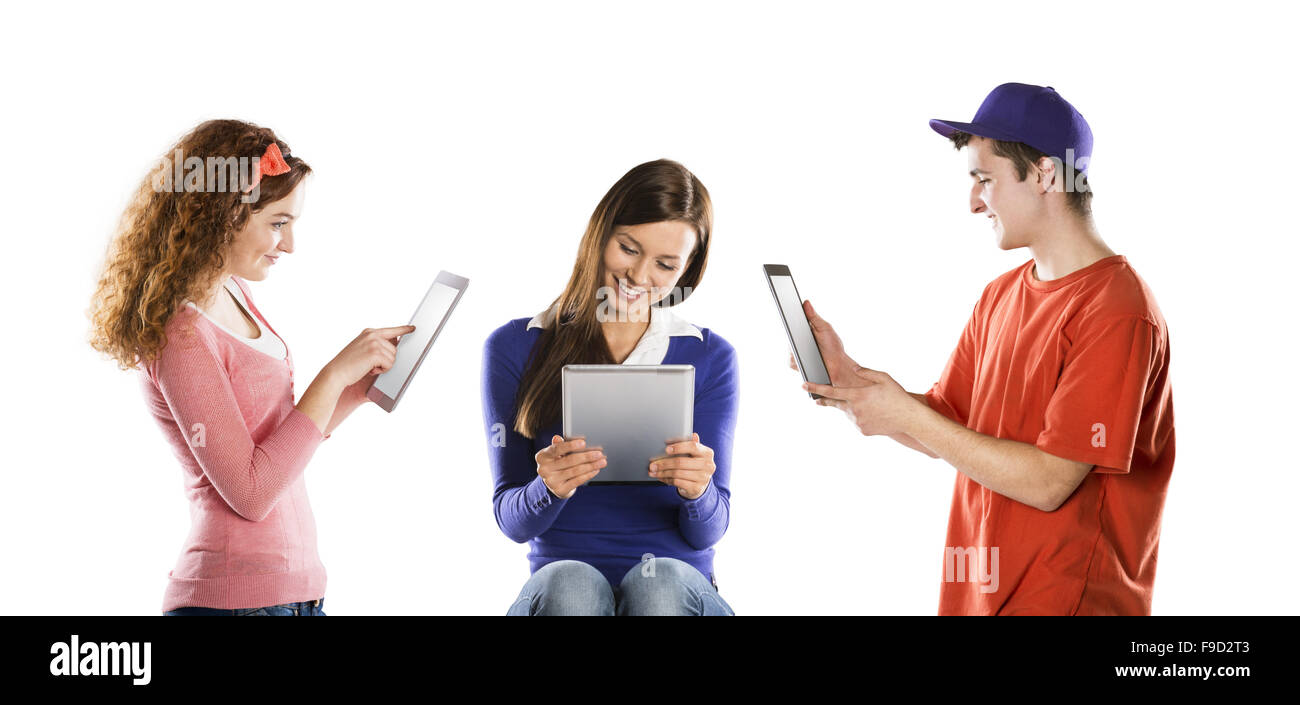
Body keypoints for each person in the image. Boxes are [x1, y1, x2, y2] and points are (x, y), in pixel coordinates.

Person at [795, 83, 1175, 615]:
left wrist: (904, 413)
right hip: (977, 599)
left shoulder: (1118, 310)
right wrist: (851, 380)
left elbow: (1049, 482)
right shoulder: (1000, 296)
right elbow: (949, 426)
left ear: (1045, 174)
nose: (973, 201)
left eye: (984, 178)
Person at [88, 119, 415, 616]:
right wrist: (332, 376)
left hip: (294, 593)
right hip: (235, 601)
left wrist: (357, 387)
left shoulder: (234, 294)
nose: (288, 246)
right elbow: (252, 491)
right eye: (278, 223)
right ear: (223, 215)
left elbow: (278, 441)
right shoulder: (181, 335)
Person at [482, 159, 738, 616]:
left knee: (659, 583)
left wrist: (699, 493)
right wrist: (549, 488)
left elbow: (711, 529)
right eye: (628, 248)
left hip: (677, 590)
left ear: (687, 271)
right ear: (600, 233)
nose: (639, 277)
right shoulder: (515, 346)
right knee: (571, 582)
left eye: (665, 264)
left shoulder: (709, 356)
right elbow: (511, 519)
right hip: (564, 590)